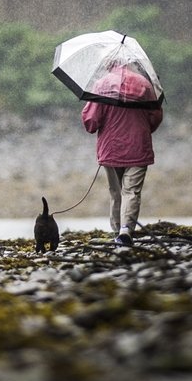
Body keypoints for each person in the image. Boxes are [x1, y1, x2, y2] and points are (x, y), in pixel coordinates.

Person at [80, 61, 163, 247]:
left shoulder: (101, 85)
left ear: (109, 63)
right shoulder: (145, 85)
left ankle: (117, 231)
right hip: (138, 146)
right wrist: (142, 129)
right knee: (131, 191)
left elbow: (91, 121)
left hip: (111, 149)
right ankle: (126, 231)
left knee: (116, 191)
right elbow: (155, 117)